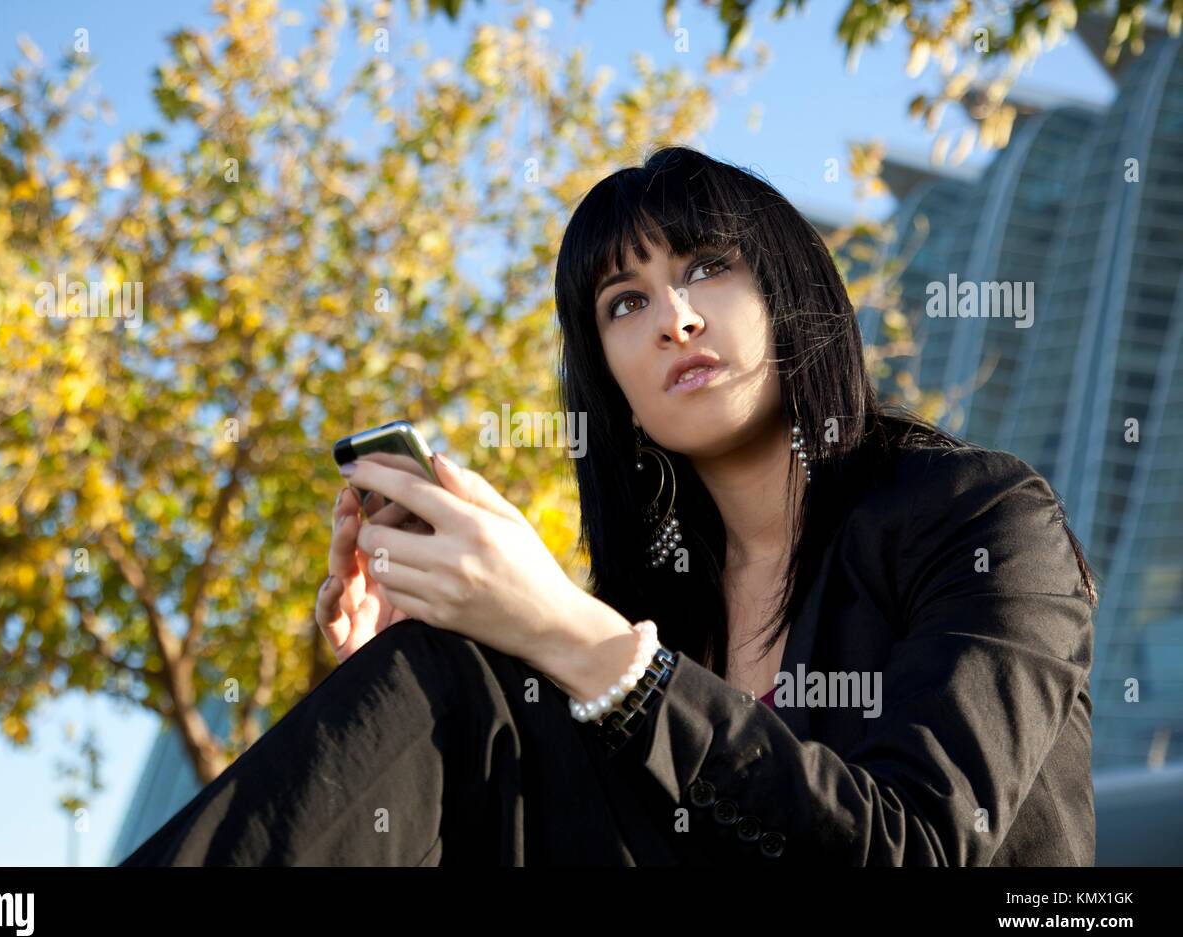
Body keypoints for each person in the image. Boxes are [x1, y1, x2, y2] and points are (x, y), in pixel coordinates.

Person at [119, 144, 1099, 866]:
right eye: (623, 302)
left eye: (706, 266)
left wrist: (581, 642)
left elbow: (920, 844)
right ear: (608, 378)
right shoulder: (656, 603)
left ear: (791, 293)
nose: (671, 317)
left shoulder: (982, 519)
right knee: (453, 674)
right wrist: (419, 703)